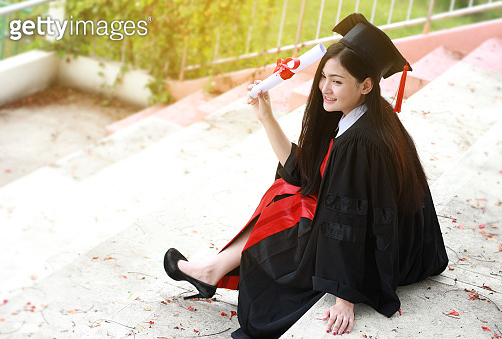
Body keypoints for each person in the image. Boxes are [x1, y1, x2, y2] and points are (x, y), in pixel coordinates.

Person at [164, 13, 448, 338]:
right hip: (406, 241)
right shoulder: (367, 114)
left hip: (394, 253)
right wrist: (266, 117)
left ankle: (212, 270)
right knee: (288, 189)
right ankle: (212, 270)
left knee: (290, 211)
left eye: (337, 81)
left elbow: (351, 219)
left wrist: (345, 297)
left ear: (366, 84)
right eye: (324, 76)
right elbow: (304, 172)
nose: (325, 88)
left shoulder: (361, 142)